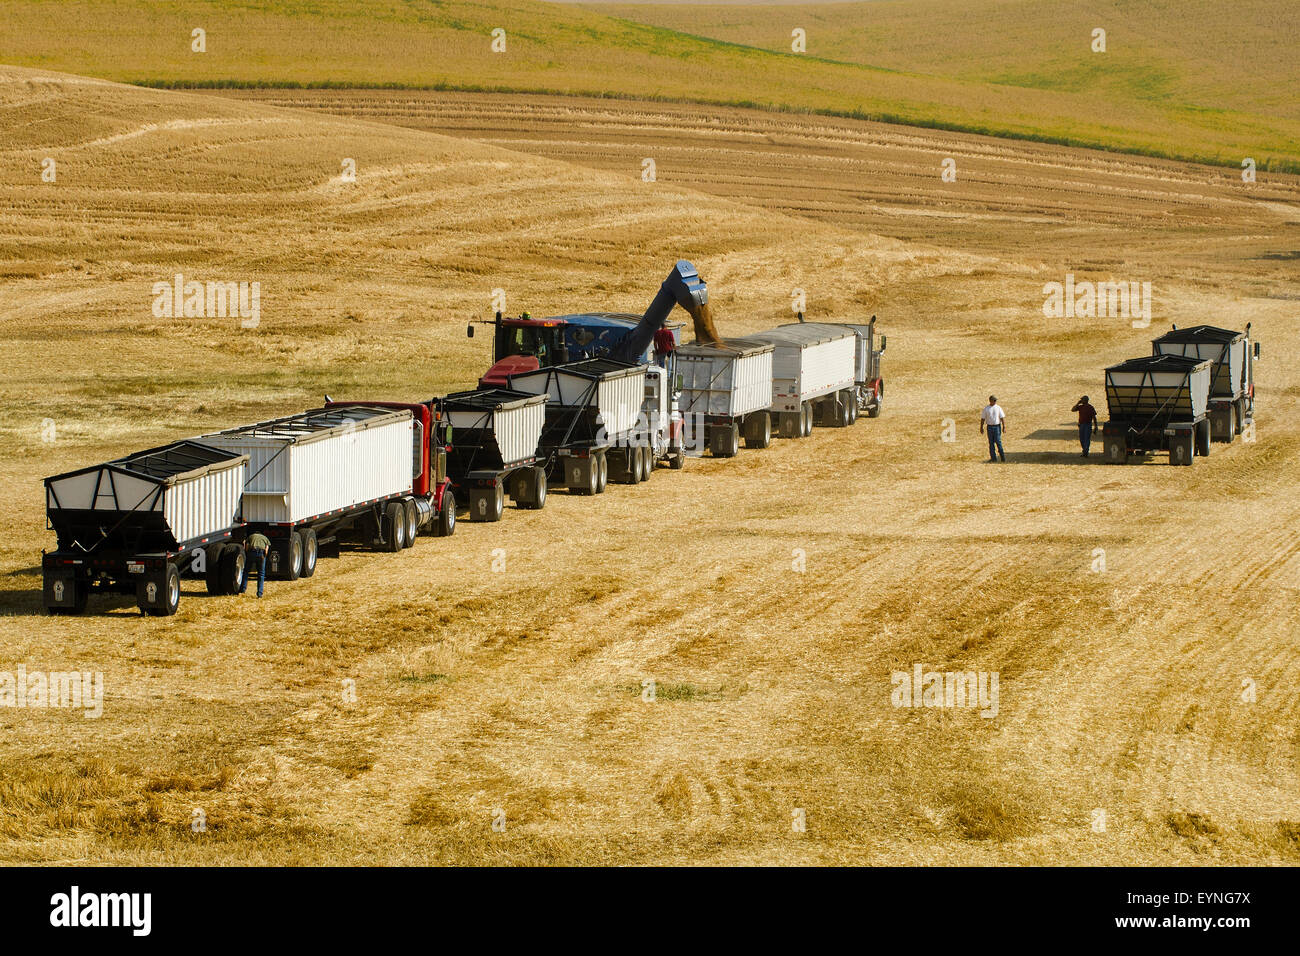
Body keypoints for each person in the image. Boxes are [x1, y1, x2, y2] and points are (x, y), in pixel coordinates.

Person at [240, 532, 271, 598]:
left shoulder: (251, 536)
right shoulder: (265, 538)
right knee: (261, 574)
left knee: (246, 572)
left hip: (251, 552)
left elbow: (247, 547)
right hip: (261, 554)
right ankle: (259, 594)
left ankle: (243, 590)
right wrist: (264, 556)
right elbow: (266, 549)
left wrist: (247, 553)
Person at [980, 395, 1007, 462]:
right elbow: (983, 418)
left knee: (998, 442)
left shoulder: (998, 408)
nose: (995, 402)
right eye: (994, 400)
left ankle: (1002, 457)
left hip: (997, 427)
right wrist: (981, 427)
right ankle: (993, 458)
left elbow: (1002, 418)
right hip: (989, 427)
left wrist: (1004, 427)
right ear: (990, 401)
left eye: (995, 400)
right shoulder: (986, 409)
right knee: (991, 443)